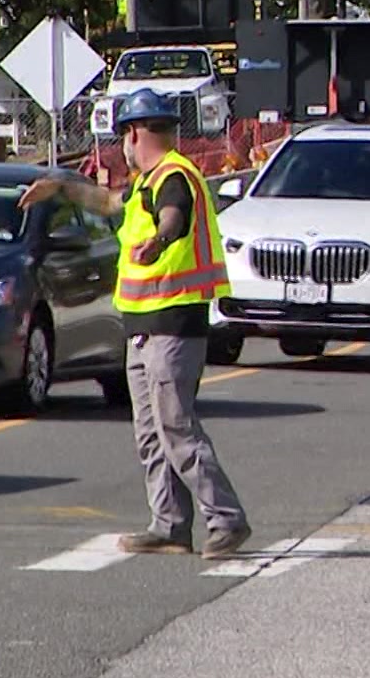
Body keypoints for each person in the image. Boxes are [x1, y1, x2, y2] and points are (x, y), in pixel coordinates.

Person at [18, 89, 250, 559]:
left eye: (122, 136)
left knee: (176, 425)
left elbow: (174, 217)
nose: (121, 147)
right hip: (143, 326)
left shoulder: (173, 177)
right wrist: (61, 187)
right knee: (151, 433)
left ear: (133, 133)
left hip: (173, 323)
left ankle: (226, 519)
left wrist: (159, 242)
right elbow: (106, 202)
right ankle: (169, 526)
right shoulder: (146, 183)